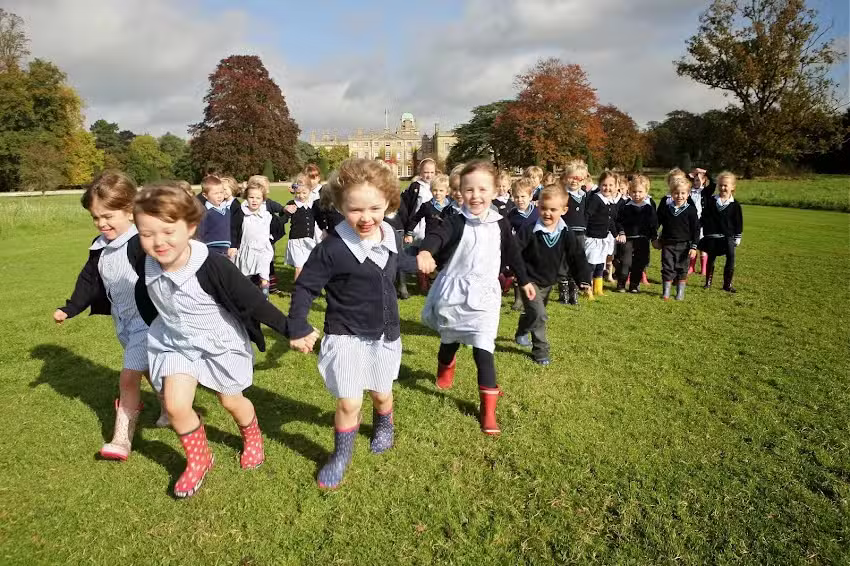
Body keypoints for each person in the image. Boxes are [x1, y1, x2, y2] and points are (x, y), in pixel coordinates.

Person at [133, 184, 310, 498]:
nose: (158, 242)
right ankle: (199, 459)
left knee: (230, 401)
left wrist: (291, 329)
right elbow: (144, 292)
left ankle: (252, 436)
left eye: (168, 231)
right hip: (176, 342)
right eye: (147, 234)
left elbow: (252, 300)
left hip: (219, 343)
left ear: (190, 227)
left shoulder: (210, 265)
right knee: (175, 406)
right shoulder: (142, 258)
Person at [287, 158, 423, 489]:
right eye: (355, 209)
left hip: (384, 334)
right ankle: (340, 455)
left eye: (374, 208)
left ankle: (384, 424)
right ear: (340, 205)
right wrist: (298, 324)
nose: (366, 218)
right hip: (345, 334)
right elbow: (305, 287)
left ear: (388, 204)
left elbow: (396, 264)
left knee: (381, 395)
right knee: (349, 401)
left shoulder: (390, 237)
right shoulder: (332, 248)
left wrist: (420, 260)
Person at [54, 171, 168, 461]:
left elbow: (169, 271)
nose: (101, 223)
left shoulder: (141, 243)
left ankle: (121, 440)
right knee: (148, 370)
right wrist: (71, 307)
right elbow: (88, 280)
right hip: (124, 323)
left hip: (147, 322)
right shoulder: (100, 246)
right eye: (95, 217)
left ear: (130, 211)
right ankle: (172, 408)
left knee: (129, 378)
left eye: (108, 216)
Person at [418, 160, 534, 435]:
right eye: (469, 189)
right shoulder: (456, 221)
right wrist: (426, 251)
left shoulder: (500, 223)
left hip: (485, 297)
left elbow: (513, 253)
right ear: (460, 191)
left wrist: (525, 280)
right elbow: (438, 235)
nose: (476, 196)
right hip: (455, 294)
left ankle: (488, 410)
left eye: (483, 189)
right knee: (450, 341)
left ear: (494, 191)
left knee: (484, 348)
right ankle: (445, 366)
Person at [514, 185, 590, 365]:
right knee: (539, 315)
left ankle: (522, 331)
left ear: (564, 210)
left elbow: (576, 256)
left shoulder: (566, 233)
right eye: (543, 208)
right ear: (538, 206)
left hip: (548, 282)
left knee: (533, 313)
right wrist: (518, 275)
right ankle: (541, 351)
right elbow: (515, 252)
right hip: (529, 281)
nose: (547, 213)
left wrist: (583, 279)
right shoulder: (529, 229)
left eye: (553, 210)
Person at [233, 176, 283, 296]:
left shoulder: (266, 215)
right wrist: (233, 246)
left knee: (264, 276)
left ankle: (264, 298)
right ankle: (244, 297)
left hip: (263, 250)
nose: (254, 200)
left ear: (263, 199)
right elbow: (234, 230)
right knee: (245, 276)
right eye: (251, 197)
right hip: (247, 250)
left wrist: (271, 238)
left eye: (258, 198)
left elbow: (279, 226)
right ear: (246, 197)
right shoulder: (241, 213)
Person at [654, 171, 699, 301]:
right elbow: (657, 223)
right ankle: (666, 292)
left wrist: (694, 246)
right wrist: (655, 238)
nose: (680, 196)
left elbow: (696, 229)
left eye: (683, 193)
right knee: (667, 267)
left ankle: (680, 293)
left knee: (682, 268)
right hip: (667, 244)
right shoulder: (666, 208)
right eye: (676, 193)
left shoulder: (691, 210)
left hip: (685, 245)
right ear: (671, 193)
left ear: (688, 194)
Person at [698, 171, 743, 292]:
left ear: (732, 187)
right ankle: (708, 282)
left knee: (731, 258)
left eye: (725, 185)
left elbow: (738, 222)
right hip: (712, 236)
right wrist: (700, 229)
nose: (723, 188)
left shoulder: (735, 205)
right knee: (711, 258)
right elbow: (704, 217)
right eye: (721, 185)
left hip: (728, 236)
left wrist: (738, 237)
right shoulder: (711, 201)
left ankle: (727, 285)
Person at [614, 174, 658, 293]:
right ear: (629, 191)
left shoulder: (649, 208)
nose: (637, 194)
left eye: (640, 192)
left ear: (646, 192)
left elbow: (653, 224)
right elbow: (618, 221)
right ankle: (621, 284)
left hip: (643, 240)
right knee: (626, 262)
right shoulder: (625, 206)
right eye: (634, 191)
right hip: (627, 239)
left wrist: (654, 238)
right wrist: (621, 232)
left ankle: (634, 285)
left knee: (639, 263)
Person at [559, 160, 590, 304]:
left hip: (580, 233)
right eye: (572, 177)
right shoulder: (563, 194)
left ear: (583, 180)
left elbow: (587, 213)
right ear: (566, 177)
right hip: (565, 232)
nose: (574, 181)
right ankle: (563, 292)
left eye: (578, 178)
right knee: (564, 261)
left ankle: (574, 291)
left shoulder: (585, 195)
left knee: (577, 260)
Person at [583, 171, 619, 299]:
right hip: (593, 237)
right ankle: (587, 289)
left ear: (616, 186)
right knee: (591, 264)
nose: (607, 188)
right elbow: (587, 215)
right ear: (599, 185)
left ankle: (598, 289)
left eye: (610, 185)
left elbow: (611, 220)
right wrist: (584, 230)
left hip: (604, 238)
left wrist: (615, 234)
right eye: (604, 185)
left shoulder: (611, 201)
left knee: (600, 264)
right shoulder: (596, 199)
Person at [506, 178, 539, 310]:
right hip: (518, 249)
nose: (520, 200)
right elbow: (507, 232)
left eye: (523, 196)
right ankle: (518, 299)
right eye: (516, 197)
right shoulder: (512, 215)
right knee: (518, 273)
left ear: (530, 196)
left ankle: (532, 297)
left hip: (534, 249)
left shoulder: (537, 213)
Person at [283, 183, 317, 281]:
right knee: (299, 267)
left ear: (310, 191)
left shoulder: (313, 205)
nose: (301, 196)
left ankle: (307, 287)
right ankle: (297, 289)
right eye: (298, 193)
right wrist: (285, 209)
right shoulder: (292, 204)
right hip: (296, 241)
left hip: (310, 241)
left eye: (304, 193)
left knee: (309, 267)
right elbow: (283, 218)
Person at [400, 158, 437, 246]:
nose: (429, 175)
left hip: (432, 223)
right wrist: (407, 229)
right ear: (420, 172)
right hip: (417, 224)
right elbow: (406, 207)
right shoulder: (416, 186)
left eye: (432, 172)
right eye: (426, 172)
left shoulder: (437, 186)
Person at [196, 175, 231, 255]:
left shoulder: (227, 210)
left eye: (221, 192)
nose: (219, 196)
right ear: (205, 195)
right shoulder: (205, 212)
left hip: (225, 250)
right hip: (211, 249)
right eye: (215, 193)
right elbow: (200, 232)